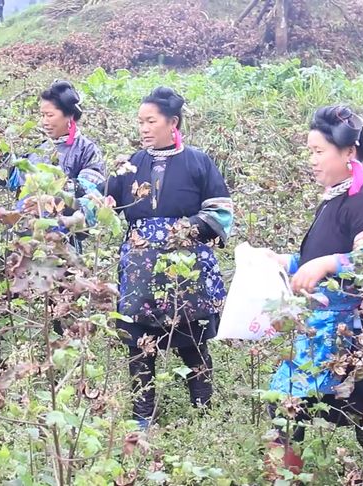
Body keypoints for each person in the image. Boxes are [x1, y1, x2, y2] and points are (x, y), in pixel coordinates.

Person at [260, 106, 363, 486]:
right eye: (309, 152)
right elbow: (320, 259)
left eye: (318, 152)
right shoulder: (335, 200)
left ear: (349, 153)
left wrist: (329, 262)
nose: (312, 161)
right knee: (285, 409)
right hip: (322, 337)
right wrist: (289, 261)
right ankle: (282, 478)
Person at [105, 87, 233, 429]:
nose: (144, 128)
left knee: (191, 340)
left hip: (184, 271)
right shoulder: (130, 164)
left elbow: (221, 212)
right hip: (139, 272)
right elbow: (103, 202)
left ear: (172, 122)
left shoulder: (198, 162)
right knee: (138, 343)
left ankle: (204, 413)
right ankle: (142, 417)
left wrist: (182, 231)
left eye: (151, 121)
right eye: (140, 122)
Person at [0, 80, 106, 367]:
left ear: (69, 115)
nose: (44, 121)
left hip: (62, 240)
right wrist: (1, 153)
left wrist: (55, 194)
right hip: (27, 236)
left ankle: (69, 367)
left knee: (63, 303)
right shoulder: (38, 149)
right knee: (6, 295)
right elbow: (8, 179)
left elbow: (91, 192)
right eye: (42, 115)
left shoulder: (87, 151)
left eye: (50, 115)